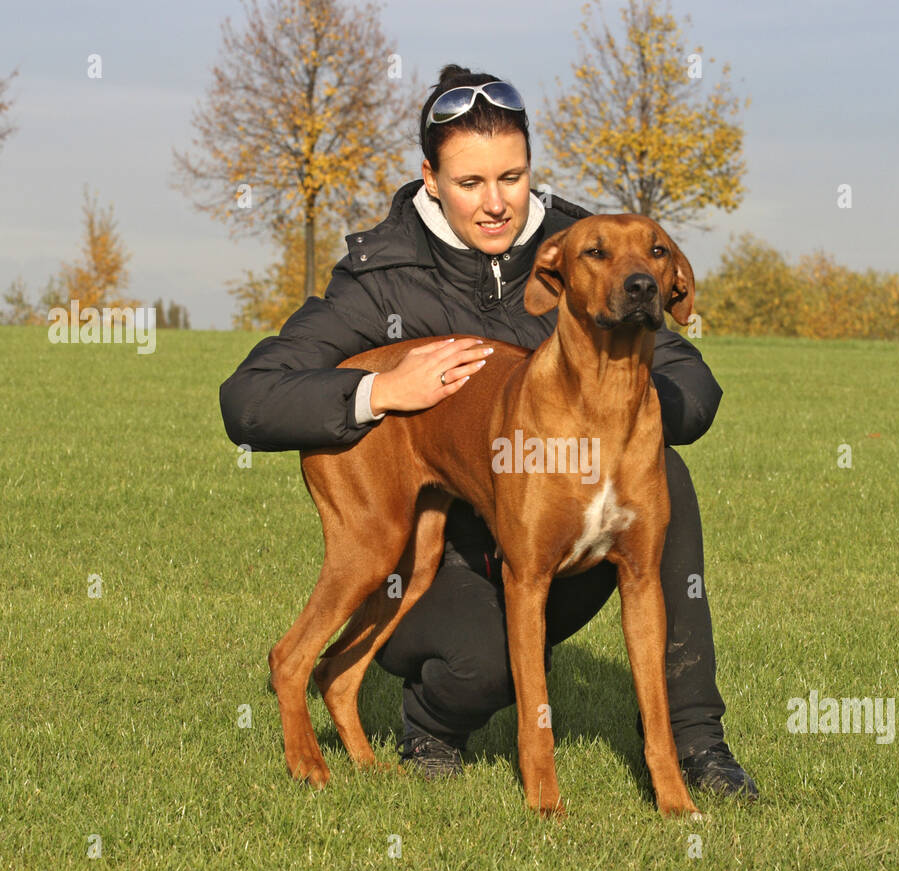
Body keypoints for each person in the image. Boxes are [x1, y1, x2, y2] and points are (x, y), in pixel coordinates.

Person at [219, 64, 757, 799]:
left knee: (664, 472)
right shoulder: (384, 275)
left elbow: (694, 384)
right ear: (431, 179)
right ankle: (366, 699)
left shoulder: (594, 247)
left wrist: (627, 407)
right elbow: (247, 400)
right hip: (446, 525)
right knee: (400, 580)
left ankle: (694, 748)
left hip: (559, 507)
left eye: (512, 176)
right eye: (470, 182)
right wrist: (382, 391)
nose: (496, 201)